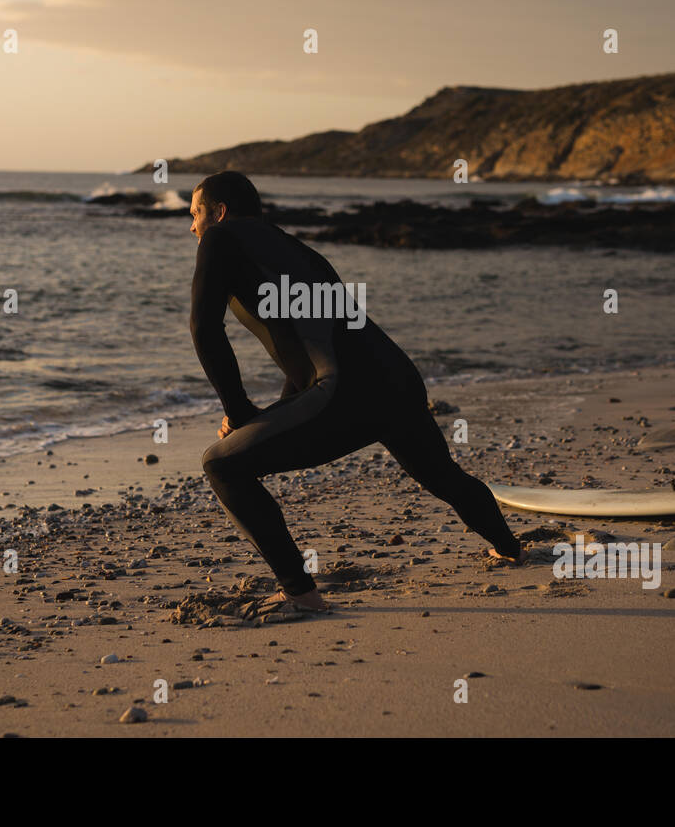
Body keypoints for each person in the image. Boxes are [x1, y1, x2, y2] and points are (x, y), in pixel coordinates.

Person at [189, 171, 527, 615]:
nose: (191, 226)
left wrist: (238, 410)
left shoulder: (220, 239)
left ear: (220, 212)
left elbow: (204, 329)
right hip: (397, 378)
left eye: (195, 213)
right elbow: (314, 345)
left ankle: (300, 593)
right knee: (442, 475)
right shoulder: (298, 250)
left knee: (221, 465)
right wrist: (275, 409)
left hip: (346, 391)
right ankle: (509, 549)